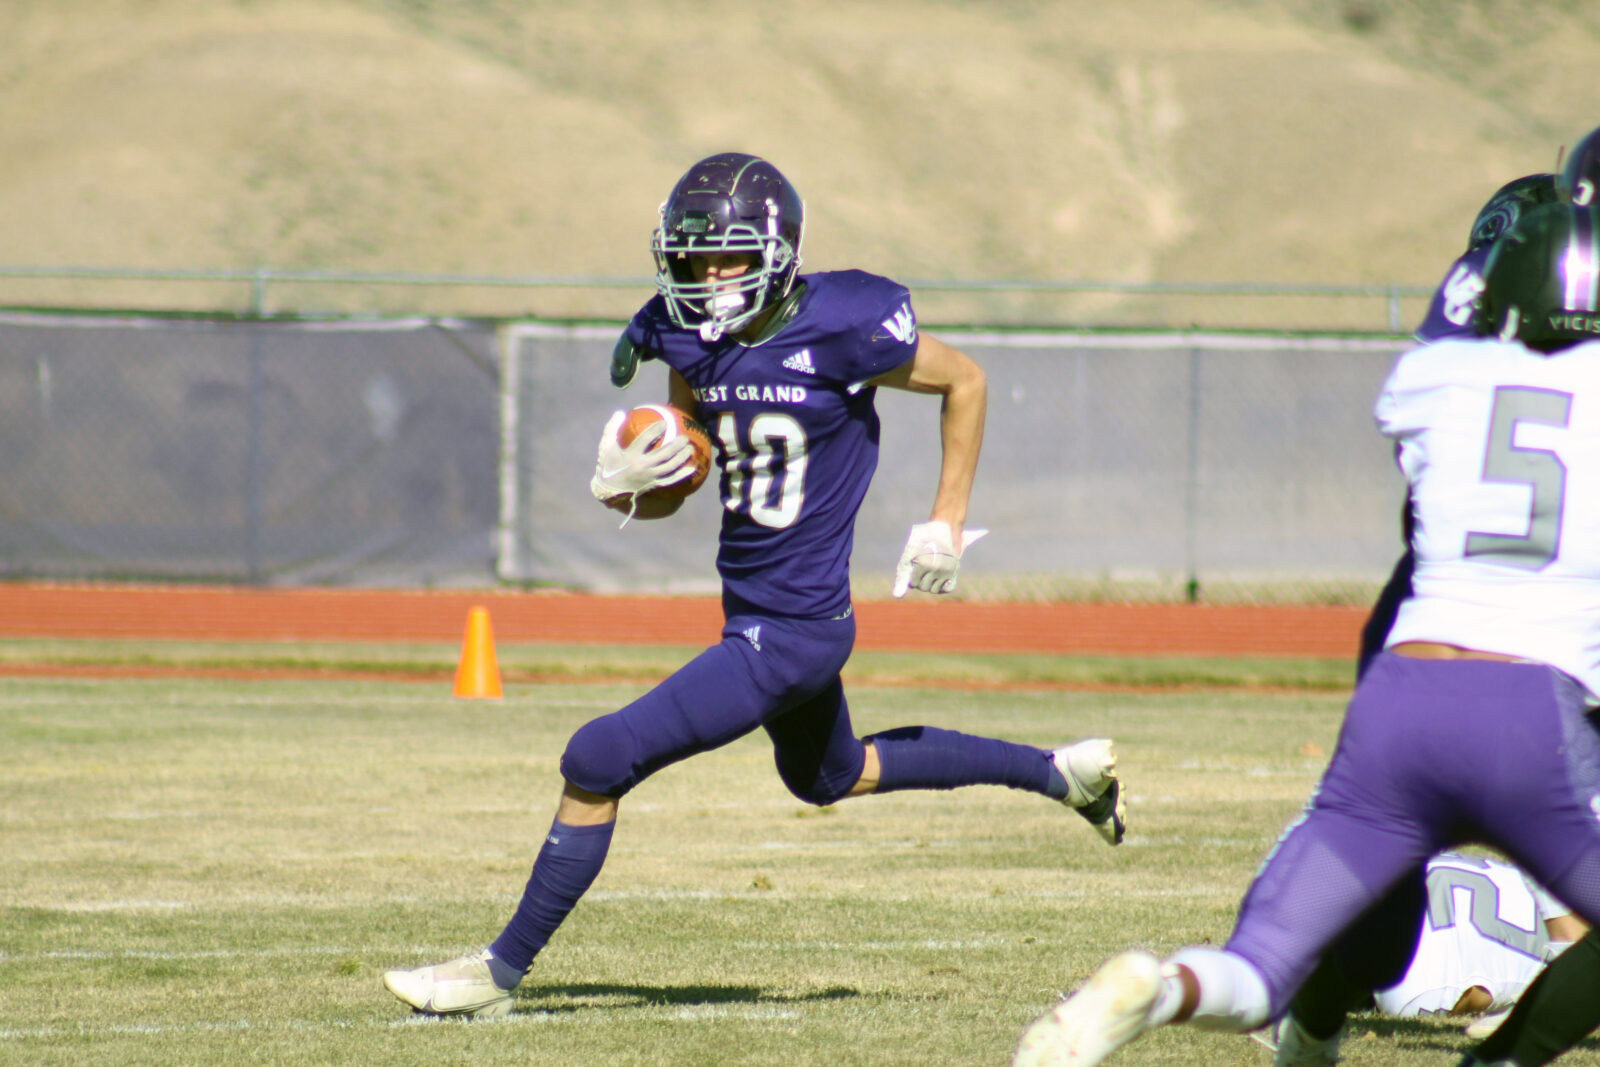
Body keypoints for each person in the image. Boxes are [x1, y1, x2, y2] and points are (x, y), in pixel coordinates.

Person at [381, 152, 1127, 1019]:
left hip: (794, 630)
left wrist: (947, 517)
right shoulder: (685, 332)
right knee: (829, 774)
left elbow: (965, 379)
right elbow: (684, 473)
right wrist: (631, 482)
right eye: (693, 257)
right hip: (756, 609)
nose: (706, 275)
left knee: (596, 757)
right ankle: (1063, 777)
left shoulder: (844, 320)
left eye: (727, 255)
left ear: (775, 251)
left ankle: (497, 974)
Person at [1010, 198, 1600, 1067]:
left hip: (1402, 702)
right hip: (1528, 711)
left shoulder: (1437, 384)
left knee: (1262, 966)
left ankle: (1158, 984)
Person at [1246, 852, 1584, 1057]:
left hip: (1557, 942)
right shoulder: (1392, 873)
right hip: (1545, 896)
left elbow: (1475, 997)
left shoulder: (1408, 989)